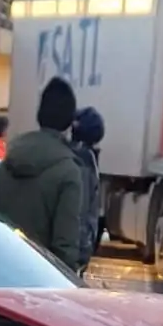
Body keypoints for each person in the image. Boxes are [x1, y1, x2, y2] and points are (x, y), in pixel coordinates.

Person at [0, 78, 84, 271]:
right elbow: (65, 245)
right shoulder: (68, 172)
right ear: (70, 122)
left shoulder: (3, 167)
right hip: (40, 282)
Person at [70, 106, 105, 266]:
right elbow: (82, 213)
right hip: (76, 252)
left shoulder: (78, 156)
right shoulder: (84, 161)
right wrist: (84, 251)